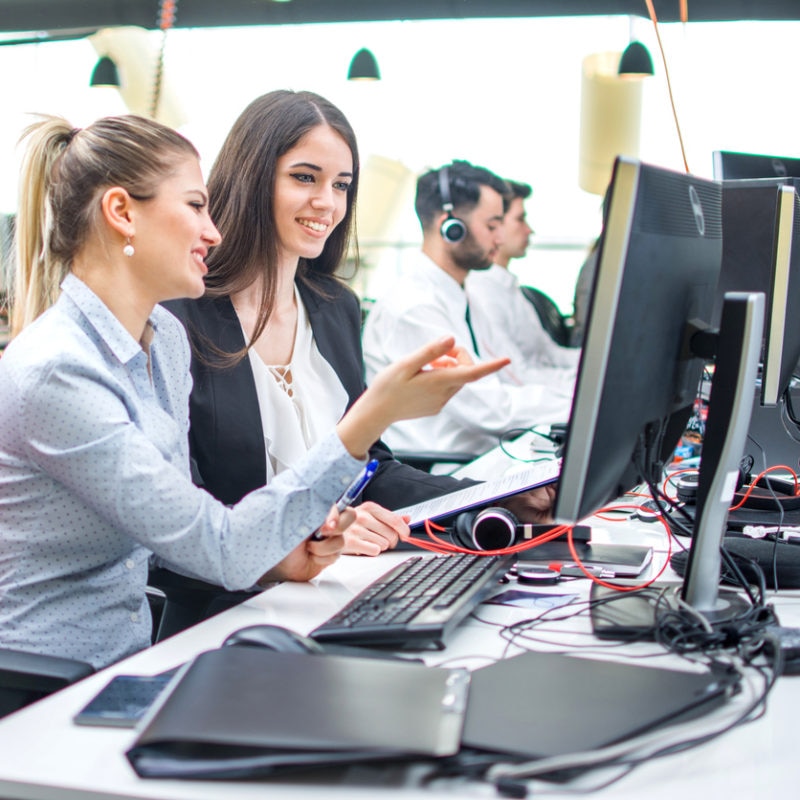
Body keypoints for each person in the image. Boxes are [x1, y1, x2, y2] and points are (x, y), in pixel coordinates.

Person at [0, 113, 509, 669]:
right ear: (122, 213)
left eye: (341, 186)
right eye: (195, 206)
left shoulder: (161, 339)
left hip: (130, 657)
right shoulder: (59, 373)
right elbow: (214, 542)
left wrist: (278, 558)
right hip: (47, 685)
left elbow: (177, 529)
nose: (212, 231)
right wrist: (374, 414)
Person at [165, 91, 555, 562]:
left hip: (340, 573)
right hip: (239, 594)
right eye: (305, 177)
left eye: (342, 184)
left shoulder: (333, 309)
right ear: (252, 178)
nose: (326, 202)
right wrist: (320, 536)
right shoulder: (180, 318)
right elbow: (183, 515)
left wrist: (489, 496)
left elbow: (368, 468)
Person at [362, 160, 576, 458]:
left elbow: (512, 377)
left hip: (487, 451)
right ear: (450, 227)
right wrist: (583, 404)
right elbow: (490, 409)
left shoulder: (464, 296)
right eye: (491, 226)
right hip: (446, 467)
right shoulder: (415, 308)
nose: (499, 239)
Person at [465, 178, 580, 380]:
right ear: (496, 225)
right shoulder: (482, 292)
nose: (529, 230)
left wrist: (596, 365)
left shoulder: (509, 287)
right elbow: (517, 377)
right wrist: (579, 380)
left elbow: (549, 354)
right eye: (520, 219)